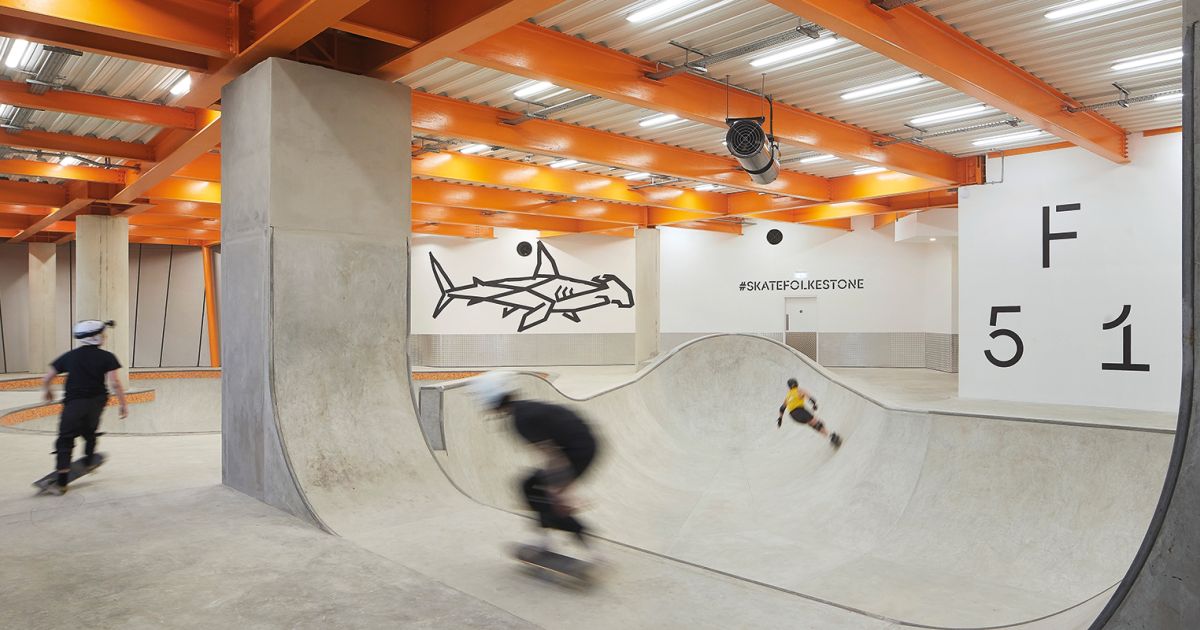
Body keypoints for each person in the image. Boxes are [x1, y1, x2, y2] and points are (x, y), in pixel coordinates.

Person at [470, 370, 601, 562]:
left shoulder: (520, 421)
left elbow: (554, 456)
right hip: (582, 443)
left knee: (549, 498)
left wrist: (562, 491)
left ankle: (593, 551)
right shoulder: (523, 410)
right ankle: (545, 540)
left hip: (579, 449)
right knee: (530, 486)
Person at [38, 320, 127, 495]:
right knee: (90, 431)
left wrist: (48, 391)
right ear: (96, 337)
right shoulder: (107, 356)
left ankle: (61, 483)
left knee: (65, 439)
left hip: (74, 403)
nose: (105, 336)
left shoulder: (69, 356)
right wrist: (123, 404)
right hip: (97, 401)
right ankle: (89, 461)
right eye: (103, 334)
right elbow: (115, 382)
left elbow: (46, 379)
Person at [778, 377, 841, 448]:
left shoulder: (788, 396)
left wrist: (780, 420)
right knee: (818, 424)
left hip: (793, 416)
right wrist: (814, 404)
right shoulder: (799, 390)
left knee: (814, 425)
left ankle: (828, 438)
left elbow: (782, 408)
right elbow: (810, 397)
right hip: (800, 411)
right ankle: (831, 437)